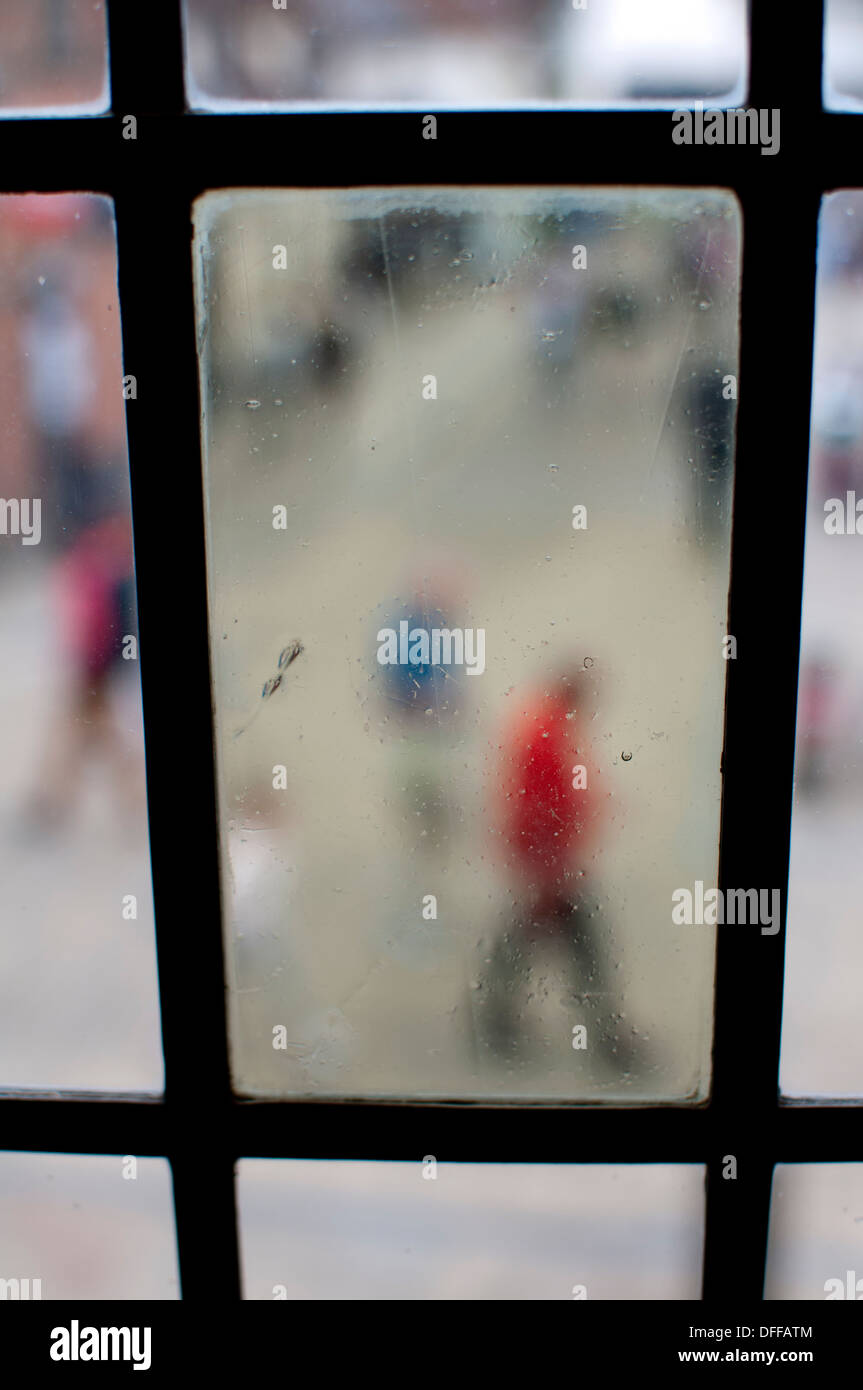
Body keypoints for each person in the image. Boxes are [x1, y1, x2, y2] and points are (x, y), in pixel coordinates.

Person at [482, 662, 640, 1071]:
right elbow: (541, 807)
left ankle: (495, 1019)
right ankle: (607, 1038)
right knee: (584, 948)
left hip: (548, 864)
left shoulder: (541, 720)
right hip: (553, 867)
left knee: (525, 941)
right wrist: (549, 871)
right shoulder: (546, 731)